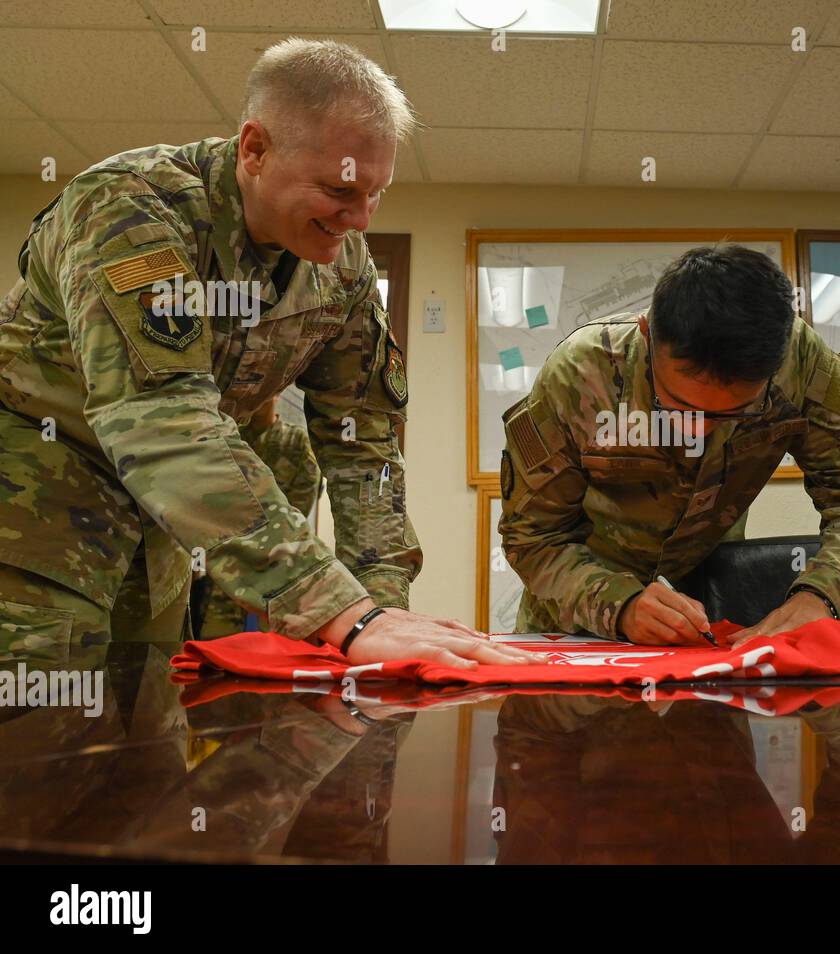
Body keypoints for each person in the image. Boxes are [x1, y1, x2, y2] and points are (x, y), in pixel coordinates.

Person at [0, 39, 539, 670]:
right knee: (41, 736)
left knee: (149, 738)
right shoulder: (131, 209)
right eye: (341, 190)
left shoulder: (343, 271)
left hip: (164, 530)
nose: (361, 218)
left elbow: (362, 442)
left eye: (377, 194)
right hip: (33, 507)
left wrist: (383, 614)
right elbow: (161, 420)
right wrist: (341, 611)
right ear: (255, 150)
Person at [499, 244, 840, 645]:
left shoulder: (802, 367)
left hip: (706, 627)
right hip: (576, 629)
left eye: (733, 414)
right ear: (647, 333)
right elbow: (534, 539)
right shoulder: (581, 375)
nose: (697, 432)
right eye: (677, 407)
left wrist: (824, 596)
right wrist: (619, 605)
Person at [192, 398, 322, 638]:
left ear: (278, 392)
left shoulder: (296, 442)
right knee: (216, 642)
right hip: (229, 558)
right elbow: (214, 499)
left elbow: (300, 504)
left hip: (279, 560)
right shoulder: (232, 439)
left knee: (278, 644)